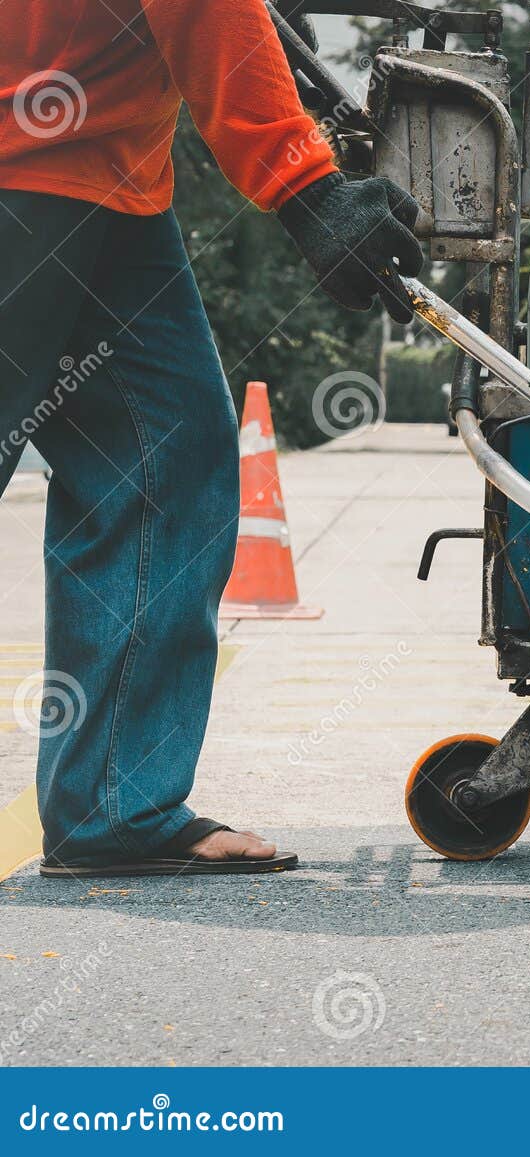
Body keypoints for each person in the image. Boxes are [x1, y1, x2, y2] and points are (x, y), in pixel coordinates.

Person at [0, 1, 424, 876]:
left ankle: (115, 804)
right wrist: (305, 187)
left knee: (170, 459)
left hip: (104, 176)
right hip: (24, 170)